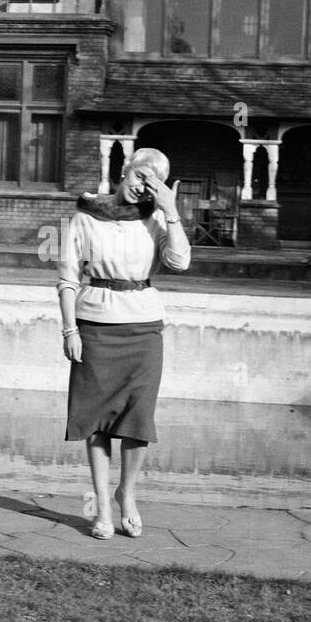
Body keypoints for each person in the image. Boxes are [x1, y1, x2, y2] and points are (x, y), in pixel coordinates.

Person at [56, 148, 191, 539]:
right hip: (95, 325)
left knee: (138, 418)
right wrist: (69, 331)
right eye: (138, 177)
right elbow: (67, 279)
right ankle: (100, 509)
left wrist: (171, 210)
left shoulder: (156, 220)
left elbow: (180, 262)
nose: (141, 188)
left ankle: (126, 496)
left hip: (143, 328)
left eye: (152, 183)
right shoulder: (83, 218)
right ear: (123, 172)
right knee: (96, 420)